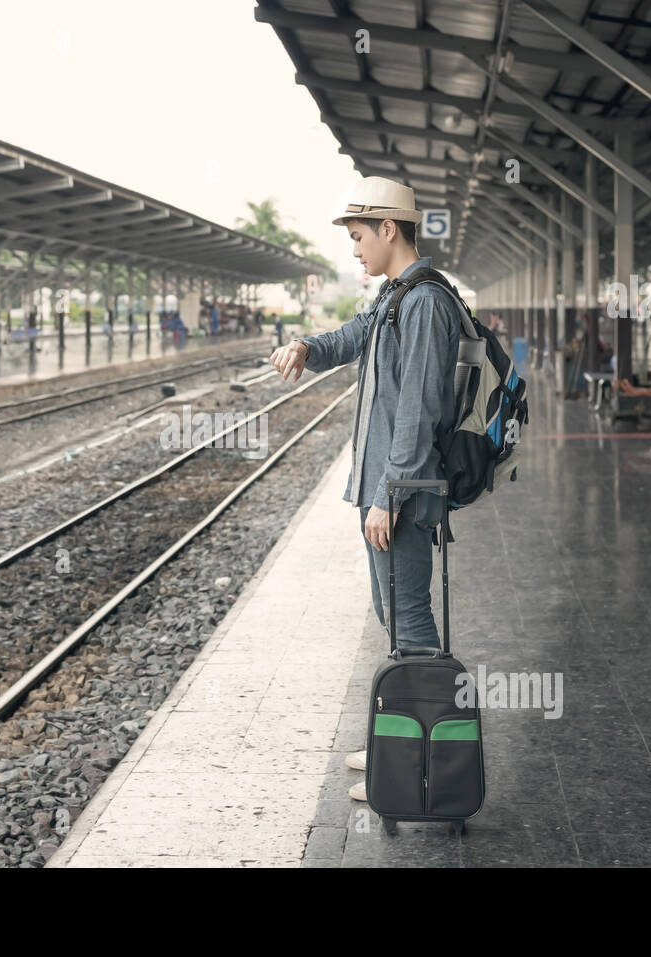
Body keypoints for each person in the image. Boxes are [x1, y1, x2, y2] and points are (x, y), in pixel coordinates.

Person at [269, 175, 461, 804]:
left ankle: (424, 760)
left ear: (389, 229)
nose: (353, 249)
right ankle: (401, 739)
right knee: (393, 615)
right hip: (383, 490)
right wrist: (305, 346)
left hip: (399, 493)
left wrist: (389, 494)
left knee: (410, 621)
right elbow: (350, 339)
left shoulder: (426, 301)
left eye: (357, 237)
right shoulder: (393, 296)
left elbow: (417, 409)